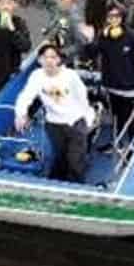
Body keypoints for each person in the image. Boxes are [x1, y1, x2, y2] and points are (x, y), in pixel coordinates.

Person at [14, 43, 95, 183]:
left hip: (74, 123)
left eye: (53, 57)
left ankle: (76, 188)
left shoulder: (70, 76)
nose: (49, 60)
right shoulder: (36, 76)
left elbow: (82, 98)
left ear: (58, 60)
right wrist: (20, 114)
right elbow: (26, 96)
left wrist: (87, 119)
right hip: (53, 124)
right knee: (60, 157)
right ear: (39, 60)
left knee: (75, 160)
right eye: (45, 57)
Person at [82, 2, 134, 142]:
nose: (113, 19)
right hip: (110, 86)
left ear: (122, 17)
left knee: (130, 120)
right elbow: (92, 54)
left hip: (128, 87)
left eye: (117, 16)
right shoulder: (104, 35)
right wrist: (89, 40)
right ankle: (116, 143)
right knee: (116, 118)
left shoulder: (132, 37)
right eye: (110, 16)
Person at [33, 0, 90, 66]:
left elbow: (80, 44)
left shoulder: (76, 18)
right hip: (48, 61)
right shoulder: (56, 8)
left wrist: (60, 53)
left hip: (65, 64)